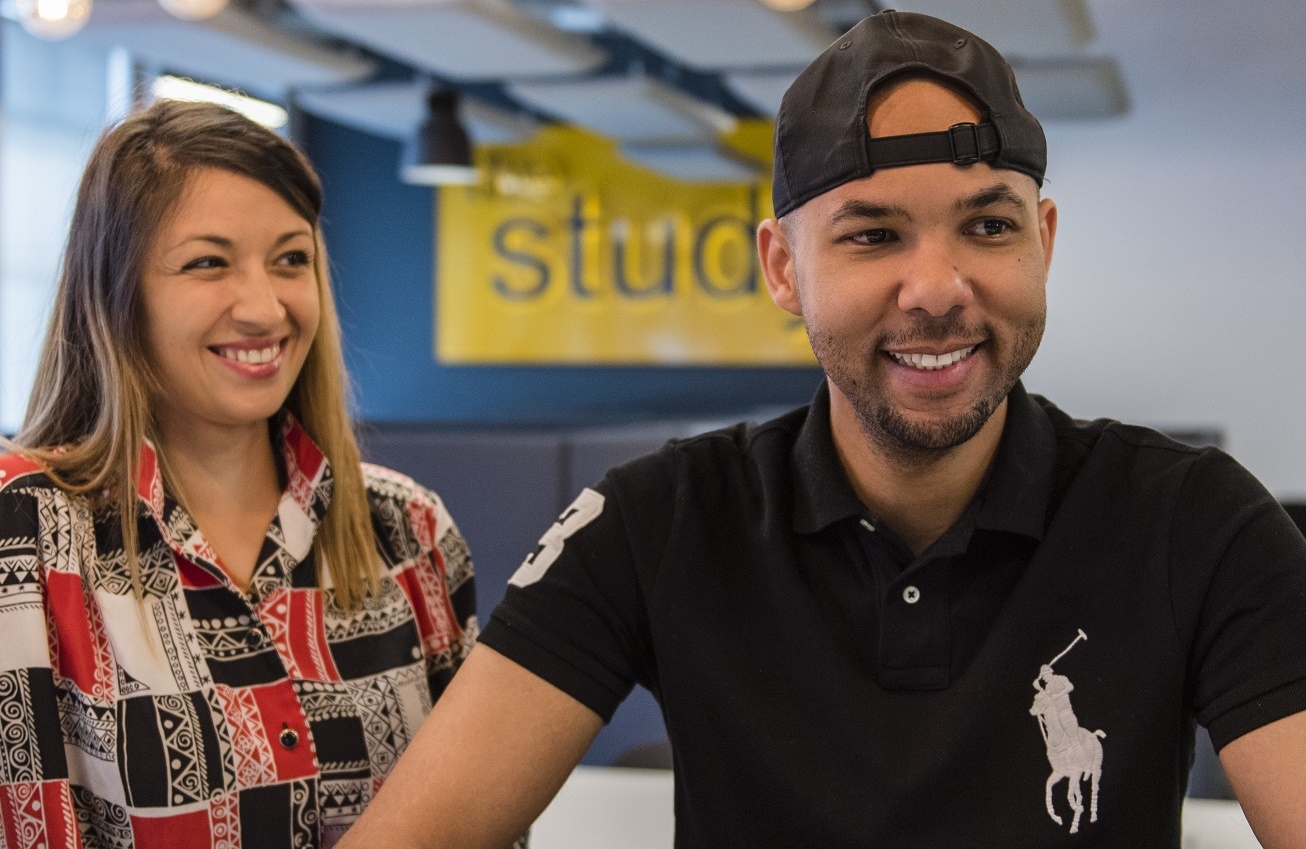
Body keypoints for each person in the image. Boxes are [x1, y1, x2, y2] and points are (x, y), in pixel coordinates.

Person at [339, 10, 1306, 849]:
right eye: (873, 234)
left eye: (989, 227)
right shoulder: (652, 523)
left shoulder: (1200, 524)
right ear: (781, 267)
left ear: (1044, 243)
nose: (936, 290)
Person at [0, 101, 488, 847]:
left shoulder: (410, 531)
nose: (265, 307)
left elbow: (485, 822)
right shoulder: (27, 532)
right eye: (208, 262)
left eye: (291, 259)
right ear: (117, 290)